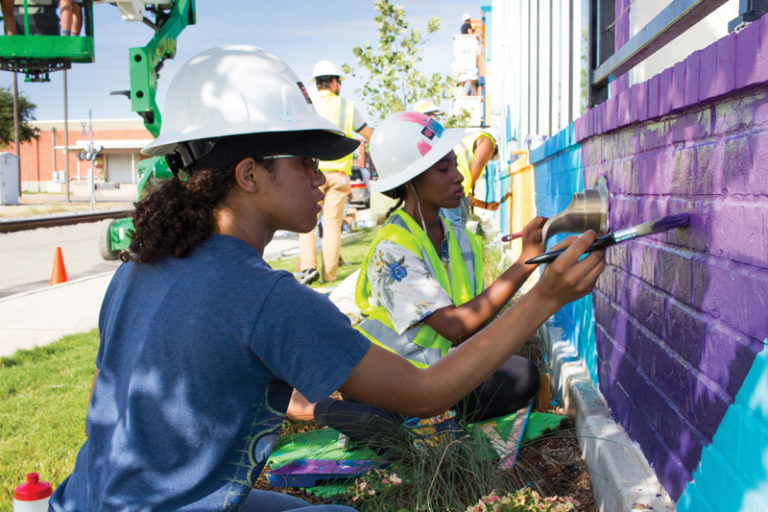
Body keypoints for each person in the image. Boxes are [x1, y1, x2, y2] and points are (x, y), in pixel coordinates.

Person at [48, 46, 605, 511]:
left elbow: (110, 392)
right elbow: (423, 394)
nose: (323, 178)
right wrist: (545, 298)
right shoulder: (263, 295)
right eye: (305, 163)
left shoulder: (139, 269)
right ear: (249, 174)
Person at [286, 111, 594, 446]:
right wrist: (525, 263)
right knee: (391, 431)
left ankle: (424, 417)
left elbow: (467, 334)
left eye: (454, 165)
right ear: (412, 179)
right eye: (444, 168)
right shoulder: (393, 248)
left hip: (440, 372)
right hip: (390, 378)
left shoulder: (458, 238)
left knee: (521, 375)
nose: (459, 177)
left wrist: (529, 260)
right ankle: (355, 413)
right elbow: (453, 326)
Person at [297, 59, 373, 285]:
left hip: (313, 173)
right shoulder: (348, 107)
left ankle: (308, 268)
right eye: (339, 81)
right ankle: (329, 276)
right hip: (339, 174)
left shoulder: (307, 104)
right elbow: (369, 134)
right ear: (333, 82)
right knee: (332, 226)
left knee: (307, 220)